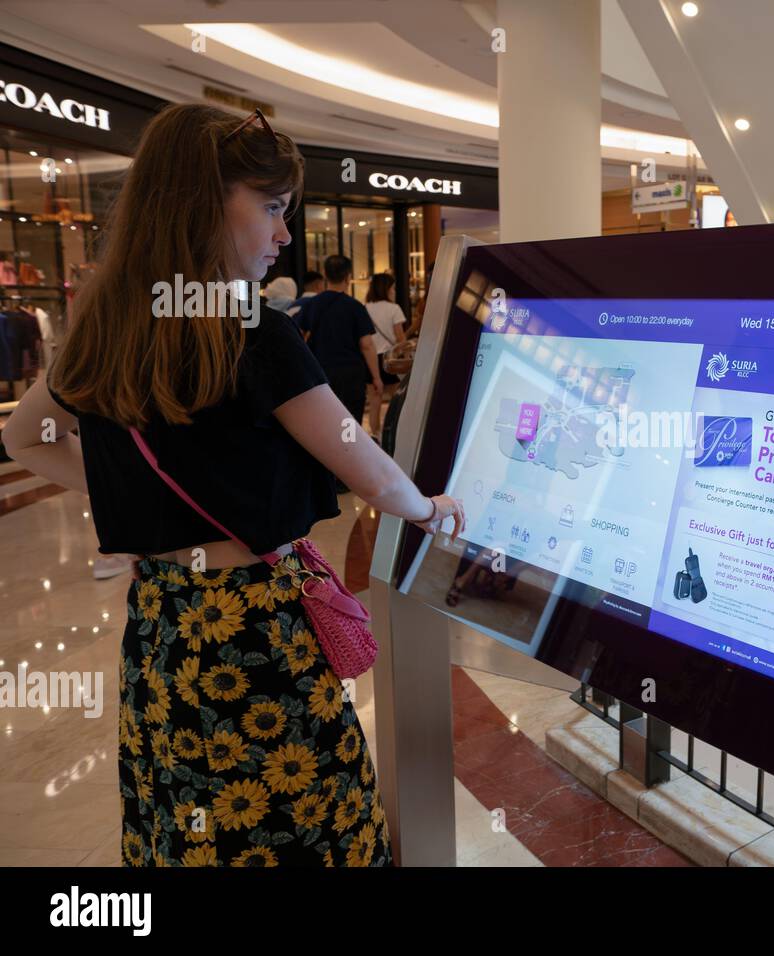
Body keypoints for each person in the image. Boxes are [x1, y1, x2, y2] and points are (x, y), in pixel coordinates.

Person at [0, 103, 465, 867]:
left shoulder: (109, 325)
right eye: (273, 208)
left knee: (188, 815)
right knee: (300, 812)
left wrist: (128, 493)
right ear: (199, 205)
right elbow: (366, 467)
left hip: (163, 623)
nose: (285, 235)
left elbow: (24, 436)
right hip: (256, 627)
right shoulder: (252, 329)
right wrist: (429, 507)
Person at [295, 255, 385, 487]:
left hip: (320, 375)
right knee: (349, 423)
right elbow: (366, 344)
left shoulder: (311, 305)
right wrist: (375, 377)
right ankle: (344, 478)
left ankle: (324, 475)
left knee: (324, 423)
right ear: (348, 277)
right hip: (350, 374)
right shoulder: (355, 307)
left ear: (325, 277)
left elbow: (301, 339)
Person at [363, 273, 407, 435]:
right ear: (386, 289)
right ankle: (394, 432)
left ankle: (375, 435)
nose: (394, 291)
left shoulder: (365, 308)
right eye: (393, 288)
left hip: (371, 358)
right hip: (389, 359)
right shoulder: (394, 309)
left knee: (374, 400)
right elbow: (400, 338)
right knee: (397, 400)